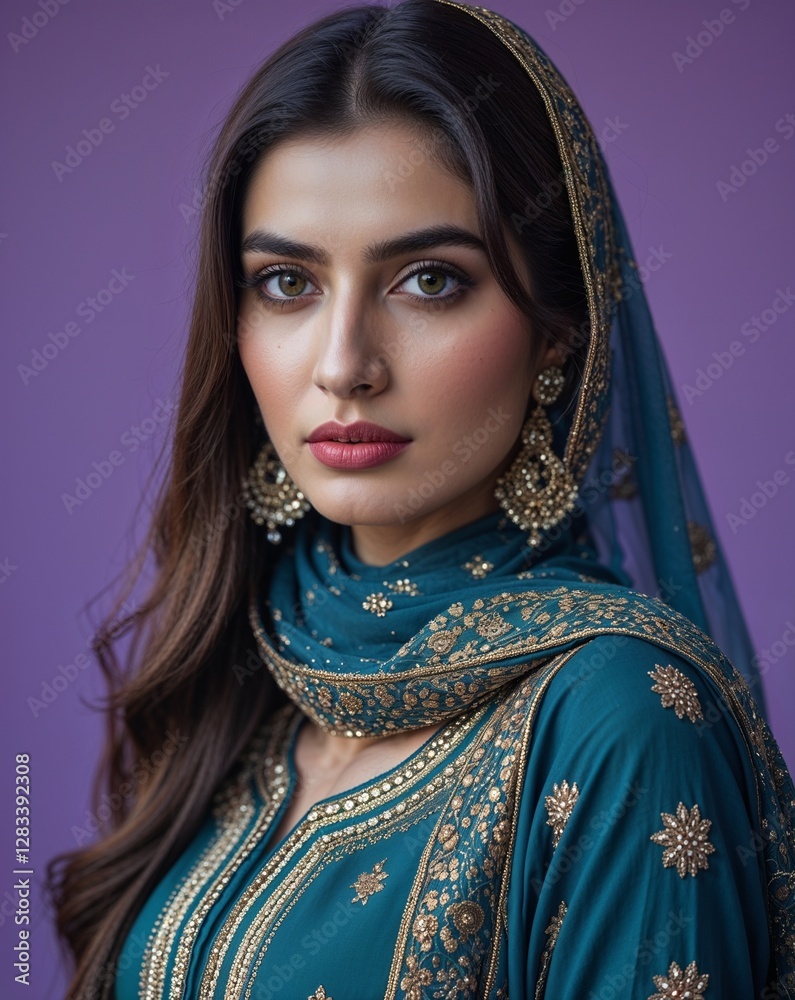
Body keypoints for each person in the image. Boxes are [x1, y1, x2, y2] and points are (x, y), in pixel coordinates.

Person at [46, 0, 795, 997]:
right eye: (286, 283)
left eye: (430, 280)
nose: (344, 363)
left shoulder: (622, 717)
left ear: (558, 334)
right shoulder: (256, 679)